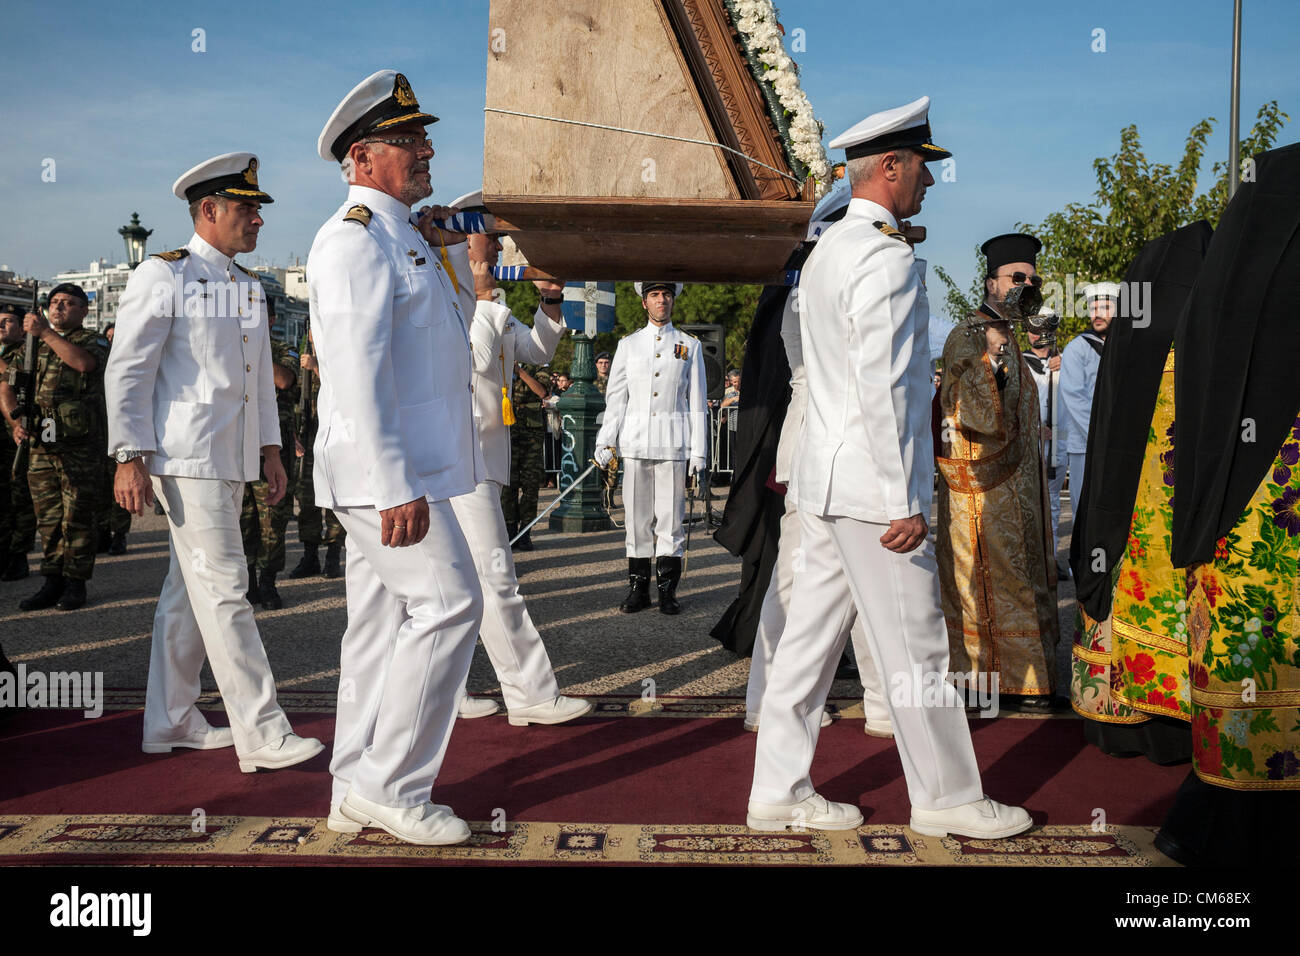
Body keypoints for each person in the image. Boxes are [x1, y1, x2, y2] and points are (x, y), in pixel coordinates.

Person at [747, 97, 1029, 838]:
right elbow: (885, 388)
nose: (930, 184)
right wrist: (908, 498)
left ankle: (778, 788)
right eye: (922, 170)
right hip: (875, 490)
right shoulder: (884, 257)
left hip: (827, 481)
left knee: (808, 644)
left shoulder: (829, 252)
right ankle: (947, 798)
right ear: (891, 168)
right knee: (917, 649)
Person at [310, 69, 486, 845]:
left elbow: (452, 332)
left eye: (422, 137)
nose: (427, 150)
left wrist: (449, 235)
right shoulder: (352, 238)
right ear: (361, 157)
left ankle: (353, 783)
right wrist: (392, 485)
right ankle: (395, 787)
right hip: (382, 473)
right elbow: (354, 375)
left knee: (379, 630)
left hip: (404, 470)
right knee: (451, 604)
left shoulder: (405, 232)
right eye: (408, 140)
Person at [105, 151, 323, 771]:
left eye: (257, 210)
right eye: (248, 209)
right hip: (184, 457)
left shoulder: (249, 286)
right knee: (227, 588)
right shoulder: (163, 274)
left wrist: (272, 451)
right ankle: (261, 731)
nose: (258, 221)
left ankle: (169, 721)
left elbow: (255, 383)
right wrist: (128, 455)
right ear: (209, 210)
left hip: (231, 459)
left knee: (186, 595)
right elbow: (129, 371)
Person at [1156, 144, 1300, 865]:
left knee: (1243, 670)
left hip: (1222, 525)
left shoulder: (1209, 307)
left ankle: (1222, 818)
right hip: (1278, 519)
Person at [1068, 221, 1210, 764]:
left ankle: (1117, 717)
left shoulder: (1133, 327)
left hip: (1121, 501)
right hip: (1176, 502)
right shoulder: (1200, 326)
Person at [446, 194, 590, 725]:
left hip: (483, 453)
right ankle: (529, 695)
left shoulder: (488, 297)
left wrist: (550, 303)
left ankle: (444, 689)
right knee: (494, 576)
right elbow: (478, 359)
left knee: (457, 583)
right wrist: (485, 293)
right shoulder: (454, 293)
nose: (504, 243)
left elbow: (534, 352)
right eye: (491, 233)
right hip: (460, 454)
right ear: (467, 240)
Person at [936, 233, 1059, 713]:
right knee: (994, 578)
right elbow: (971, 411)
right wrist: (994, 359)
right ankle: (988, 682)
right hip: (979, 488)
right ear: (990, 282)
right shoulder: (967, 334)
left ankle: (1035, 676)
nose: (1024, 285)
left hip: (1022, 486)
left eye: (1031, 279)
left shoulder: (1014, 334)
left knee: (1029, 575)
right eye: (1015, 277)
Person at [595, 281, 707, 615]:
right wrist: (606, 440)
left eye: (667, 295)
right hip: (636, 442)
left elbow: (697, 401)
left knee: (671, 519)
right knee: (636, 519)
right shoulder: (628, 345)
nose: (662, 300)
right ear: (645, 303)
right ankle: (638, 588)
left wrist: (699, 451)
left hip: (672, 444)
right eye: (656, 295)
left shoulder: (689, 345)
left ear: (673, 300)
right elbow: (616, 398)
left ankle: (667, 591)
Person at [0, 283, 108, 612]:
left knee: (76, 514)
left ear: (83, 311)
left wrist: (45, 333)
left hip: (78, 443)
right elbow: (7, 386)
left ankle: (75, 583)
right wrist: (14, 423)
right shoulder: (29, 346)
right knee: (48, 515)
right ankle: (52, 579)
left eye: (68, 303)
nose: (59, 308)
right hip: (41, 438)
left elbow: (84, 365)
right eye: (54, 302)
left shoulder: (89, 339)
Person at [240, 320, 299, 610]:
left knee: (272, 521)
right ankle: (248, 581)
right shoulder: (231, 344)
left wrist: (256, 353)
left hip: (272, 450)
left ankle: (268, 581)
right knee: (242, 520)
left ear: (271, 320)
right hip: (237, 447)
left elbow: (284, 380)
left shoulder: (282, 349)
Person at [1059, 282, 1118, 522]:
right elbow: (1074, 398)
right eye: (1093, 308)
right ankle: (1080, 561)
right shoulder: (1077, 348)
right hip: (1086, 444)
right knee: (1085, 513)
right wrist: (1102, 436)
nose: (1097, 314)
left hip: (1117, 444)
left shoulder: (1122, 347)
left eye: (1104, 307)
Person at [289, 334, 346, 580]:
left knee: (335, 498)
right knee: (307, 499)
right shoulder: (300, 359)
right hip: (308, 437)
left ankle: (333, 556)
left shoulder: (338, 352)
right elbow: (288, 398)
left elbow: (345, 389)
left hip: (334, 437)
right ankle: (310, 555)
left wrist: (317, 367)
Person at [1021, 310, 1066, 572]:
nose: (1037, 334)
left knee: (1053, 504)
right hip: (1027, 447)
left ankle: (1050, 559)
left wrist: (1067, 363)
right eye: (1032, 329)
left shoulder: (1065, 362)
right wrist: (1032, 428)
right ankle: (1029, 562)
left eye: (1042, 330)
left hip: (1057, 449)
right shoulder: (1017, 363)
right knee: (1027, 503)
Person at [0, 303, 35, 581]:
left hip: (15, 436)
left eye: (8, 321)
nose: (1, 326)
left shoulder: (27, 353)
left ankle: (18, 556)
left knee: (19, 499)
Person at [501, 361, 550, 551]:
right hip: (508, 429)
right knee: (508, 484)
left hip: (531, 433)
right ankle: (510, 530)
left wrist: (519, 371)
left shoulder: (538, 365)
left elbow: (542, 392)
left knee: (531, 486)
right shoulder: (501, 360)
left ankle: (526, 532)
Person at [94, 323, 132, 556]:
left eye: (115, 336)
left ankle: (119, 535)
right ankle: (101, 532)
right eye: (108, 337)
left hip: (116, 435)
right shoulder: (98, 356)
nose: (111, 340)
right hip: (94, 434)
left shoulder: (127, 361)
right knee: (98, 489)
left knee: (120, 489)